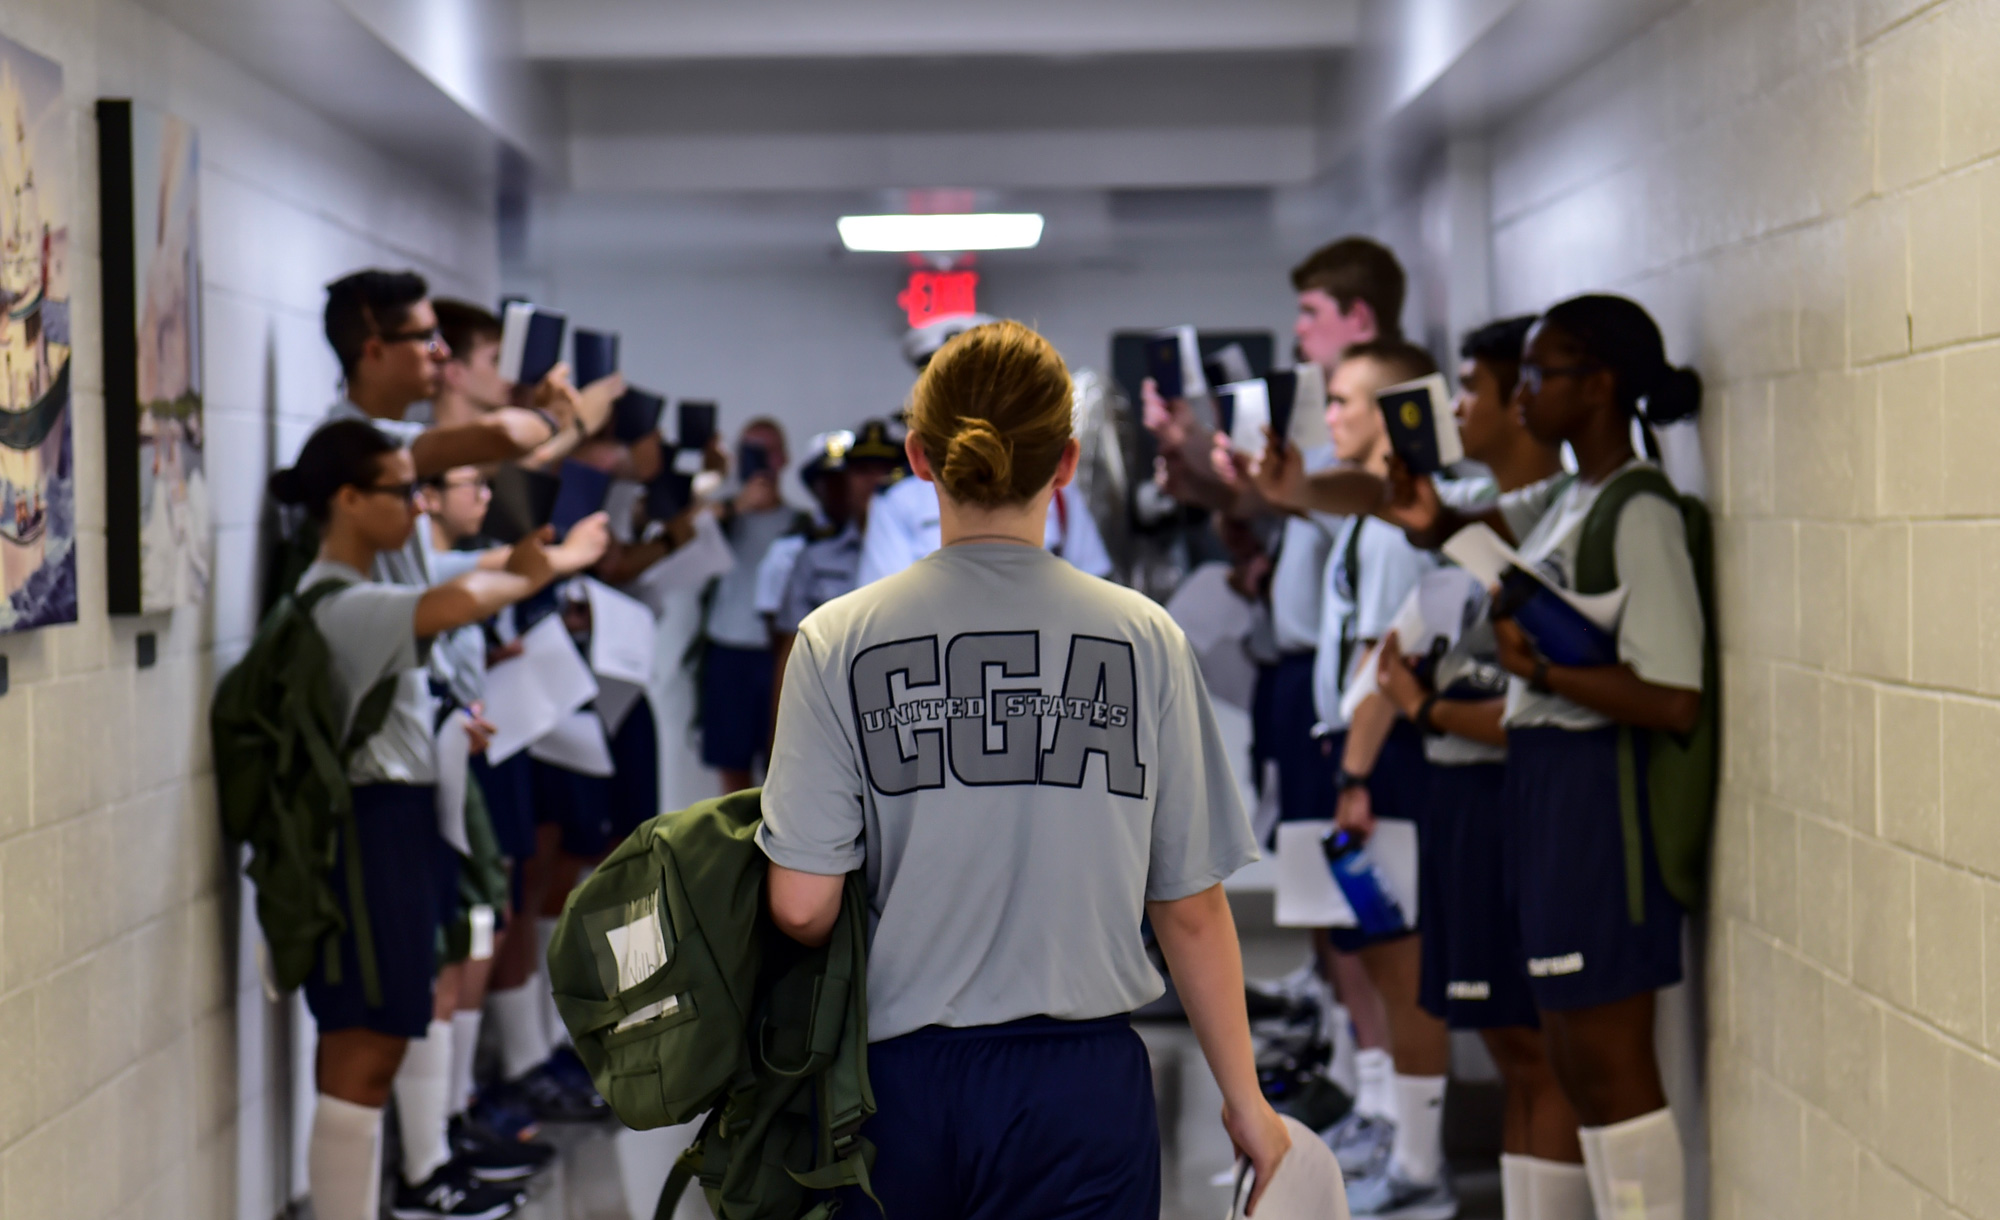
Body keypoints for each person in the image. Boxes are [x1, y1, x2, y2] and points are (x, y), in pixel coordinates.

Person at [757, 320, 1291, 1218]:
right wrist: (1247, 1104)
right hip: (1082, 1090)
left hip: (897, 1090)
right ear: (1069, 462)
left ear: (920, 460)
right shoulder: (1144, 638)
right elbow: (1191, 911)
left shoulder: (836, 638)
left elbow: (801, 907)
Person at [1380, 296, 1705, 1220]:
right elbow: (1464, 525)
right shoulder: (1569, 497)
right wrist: (1427, 518)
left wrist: (1548, 667)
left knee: (1608, 1061)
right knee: (1562, 1047)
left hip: (1599, 793)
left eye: (1540, 374)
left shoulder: (1640, 509)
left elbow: (1675, 694)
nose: (1522, 393)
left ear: (1598, 385)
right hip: (1543, 784)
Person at [271, 421, 606, 1220]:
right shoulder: (338, 600)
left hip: (403, 818)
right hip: (367, 828)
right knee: (363, 1045)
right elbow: (457, 599)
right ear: (348, 501)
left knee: (385, 1036)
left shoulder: (360, 593)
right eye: (400, 491)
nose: (416, 506)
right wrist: (539, 567)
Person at [1370, 318, 1586, 1220]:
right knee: (1509, 1045)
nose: (1456, 409)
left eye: (1474, 389)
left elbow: (1540, 700)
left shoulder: (1566, 516)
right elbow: (1412, 636)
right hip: (1460, 788)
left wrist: (1423, 708)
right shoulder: (1488, 518)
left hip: (1519, 796)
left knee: (1543, 1051)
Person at [701, 418, 805, 792]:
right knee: (732, 771)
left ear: (785, 458)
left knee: (784, 767)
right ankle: (738, 849)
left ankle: (773, 850)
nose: (762, 461)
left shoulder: (801, 523)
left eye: (769, 451)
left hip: (780, 656)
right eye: (752, 451)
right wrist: (735, 503)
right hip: (729, 652)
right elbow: (683, 534)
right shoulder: (722, 516)